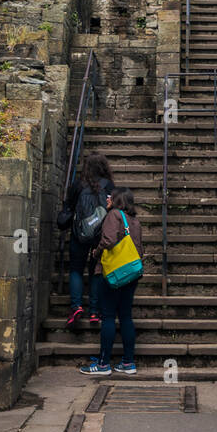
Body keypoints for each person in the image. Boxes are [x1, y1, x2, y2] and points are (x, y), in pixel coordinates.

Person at [80, 188, 143, 376]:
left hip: (112, 273)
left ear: (117, 200)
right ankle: (128, 362)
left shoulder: (113, 215)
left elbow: (108, 240)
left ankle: (103, 364)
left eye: (111, 196)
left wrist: (96, 252)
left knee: (107, 316)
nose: (107, 198)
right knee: (125, 316)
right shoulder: (135, 221)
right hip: (131, 274)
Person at [64, 152, 115, 329]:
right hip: (99, 236)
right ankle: (94, 311)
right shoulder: (108, 185)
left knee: (76, 269)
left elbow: (69, 209)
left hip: (79, 234)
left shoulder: (78, 185)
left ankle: (76, 306)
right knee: (96, 271)